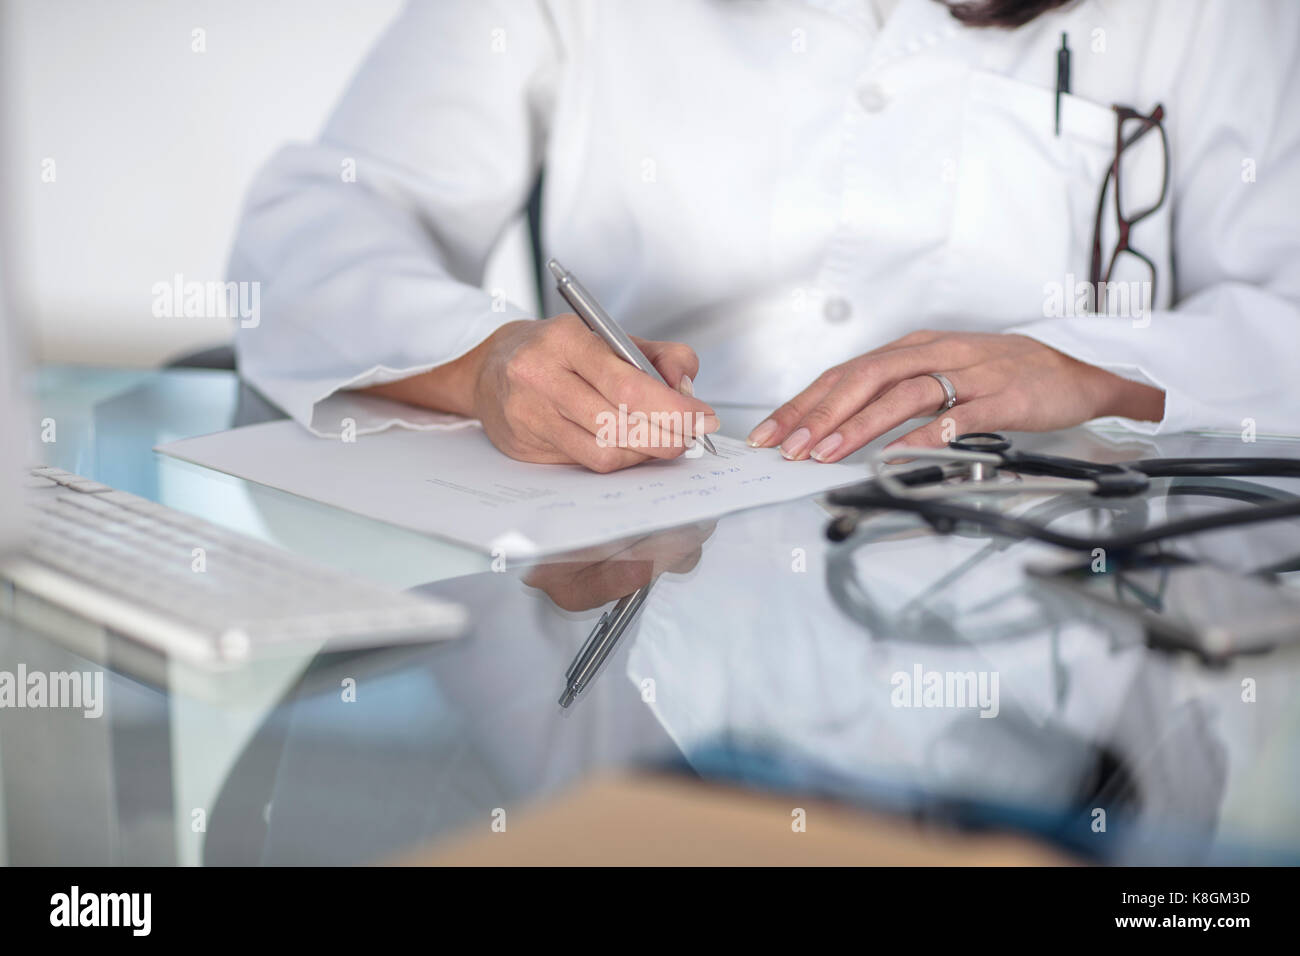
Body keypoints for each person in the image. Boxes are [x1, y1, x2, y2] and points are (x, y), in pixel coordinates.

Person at [230, 0, 1300, 472]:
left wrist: (1099, 370)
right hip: (637, 594)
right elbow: (319, 220)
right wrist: (484, 360)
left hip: (1064, 646)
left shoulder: (1214, 14)